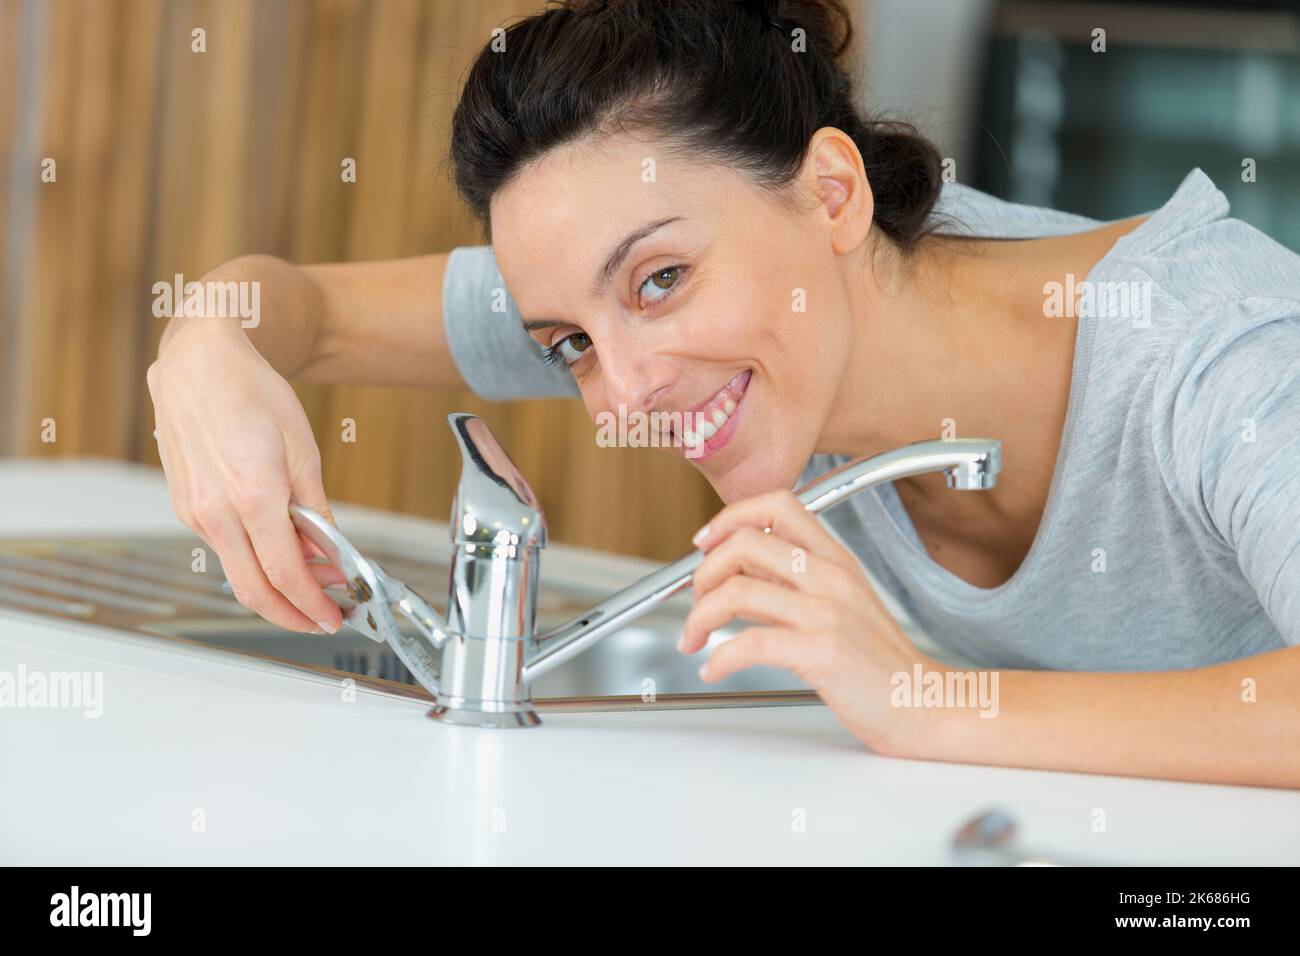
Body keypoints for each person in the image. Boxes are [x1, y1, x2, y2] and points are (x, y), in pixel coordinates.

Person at [147, 0, 1300, 787]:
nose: (624, 394)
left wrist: (930, 700)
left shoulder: (1212, 341)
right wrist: (206, 345)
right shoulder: (754, 313)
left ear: (833, 195)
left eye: (660, 280)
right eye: (567, 345)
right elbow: (298, 308)